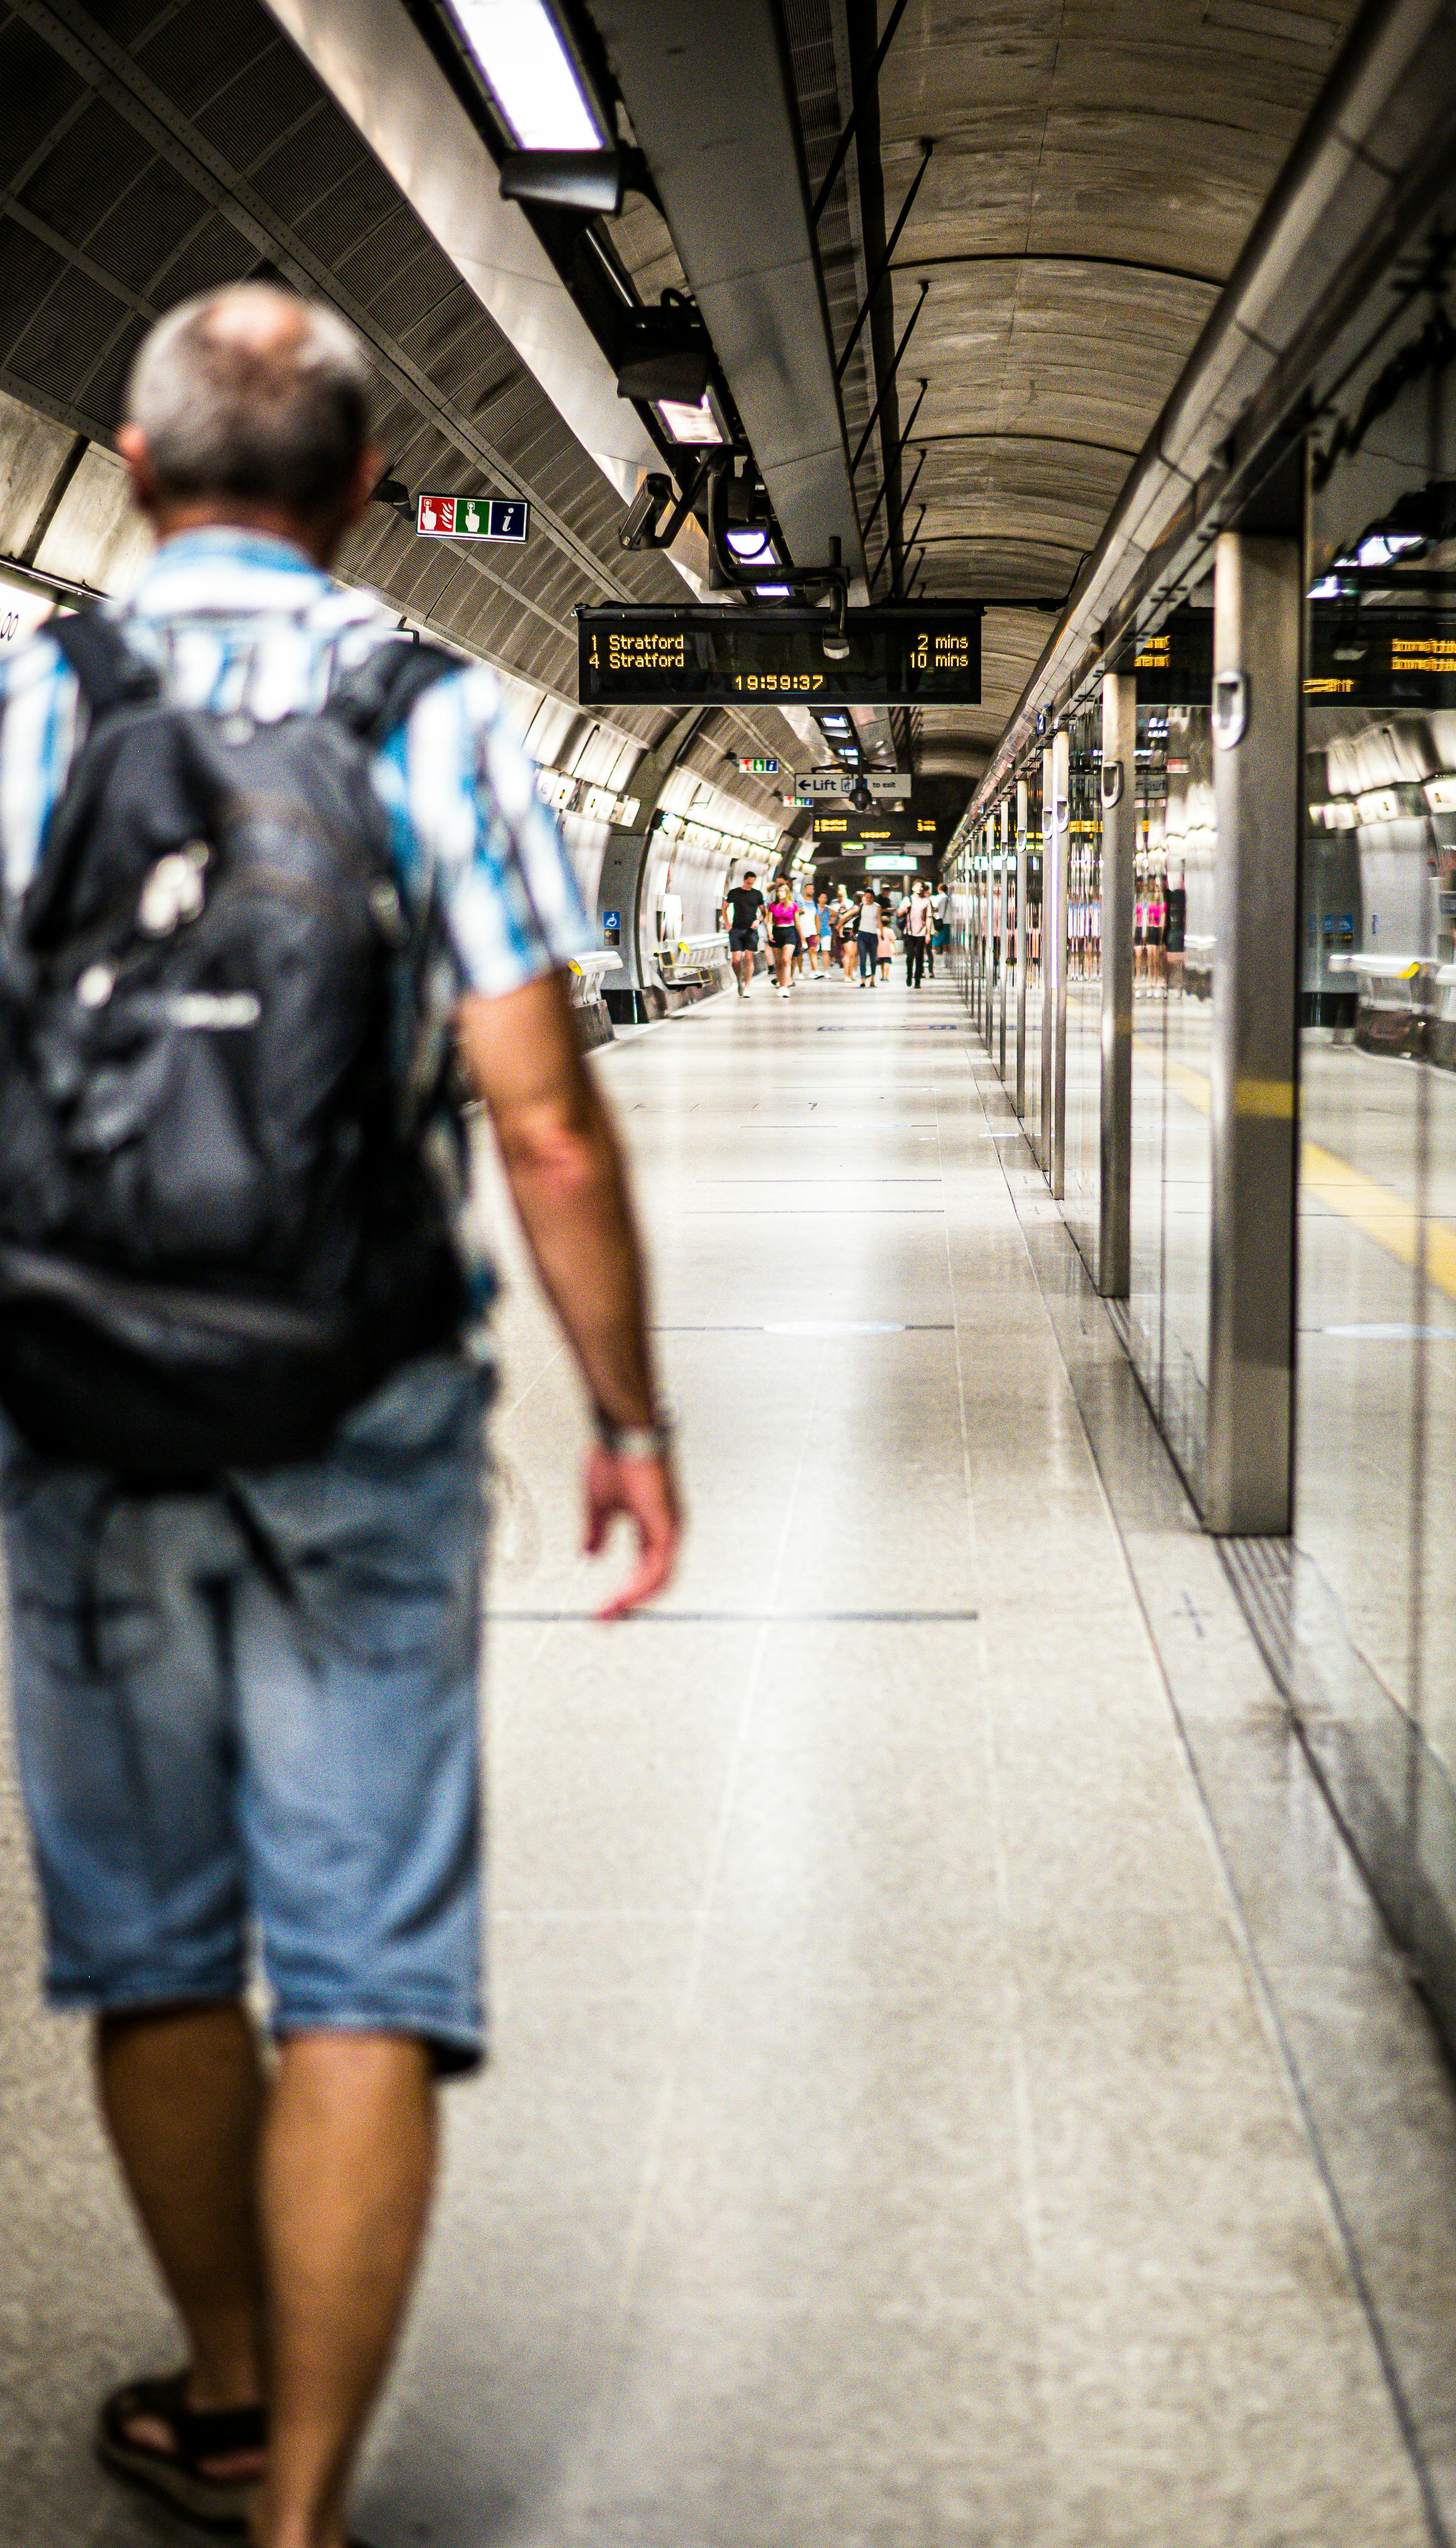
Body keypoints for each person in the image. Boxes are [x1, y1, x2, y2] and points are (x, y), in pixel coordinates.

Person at [0, 284, 683, 2548]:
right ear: (375, 497)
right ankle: (302, 2516)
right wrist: (628, 1417)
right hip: (361, 1402)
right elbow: (547, 1126)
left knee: (159, 1946)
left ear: (122, 461)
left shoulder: (25, 698)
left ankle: (213, 2384)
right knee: (365, 1959)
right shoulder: (441, 716)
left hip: (83, 1406)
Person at [722, 867, 765, 998]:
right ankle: (739, 980)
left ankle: (747, 986)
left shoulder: (757, 895)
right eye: (748, 883)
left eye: (752, 883)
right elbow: (724, 908)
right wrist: (728, 924)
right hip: (736, 929)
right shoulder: (735, 893)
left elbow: (764, 913)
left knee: (749, 958)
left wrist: (759, 921)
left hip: (751, 931)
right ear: (744, 880)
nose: (750, 885)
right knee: (736, 960)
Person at [767, 874, 800, 998]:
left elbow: (797, 923)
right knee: (779, 962)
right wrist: (770, 933)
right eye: (778, 892)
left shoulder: (793, 906)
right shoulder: (773, 906)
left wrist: (802, 939)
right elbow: (769, 921)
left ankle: (786, 986)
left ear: (787, 893)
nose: (780, 894)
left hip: (790, 932)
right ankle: (781, 983)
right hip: (777, 932)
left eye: (782, 891)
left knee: (787, 959)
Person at [904, 880, 933, 988]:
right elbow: (899, 913)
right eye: (917, 886)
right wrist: (907, 907)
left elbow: (929, 918)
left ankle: (917, 979)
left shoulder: (927, 902)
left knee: (919, 956)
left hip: (921, 933)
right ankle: (909, 974)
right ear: (913, 888)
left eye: (921, 887)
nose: (919, 888)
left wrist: (928, 934)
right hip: (909, 932)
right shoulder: (908, 899)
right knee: (910, 955)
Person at [855, 883, 881, 987]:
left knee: (873, 958)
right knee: (862, 957)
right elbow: (857, 918)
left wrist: (881, 932)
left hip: (873, 935)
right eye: (867, 897)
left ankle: (873, 978)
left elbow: (879, 919)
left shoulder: (877, 907)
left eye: (870, 897)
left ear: (873, 898)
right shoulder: (862, 906)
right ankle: (863, 979)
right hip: (862, 934)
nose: (869, 899)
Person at [799, 884, 821, 975]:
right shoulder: (800, 903)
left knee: (813, 950)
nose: (811, 890)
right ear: (805, 890)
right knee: (800, 953)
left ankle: (815, 971)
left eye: (812, 889)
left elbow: (817, 920)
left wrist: (818, 934)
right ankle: (800, 972)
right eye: (809, 889)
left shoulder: (815, 905)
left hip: (812, 931)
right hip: (802, 931)